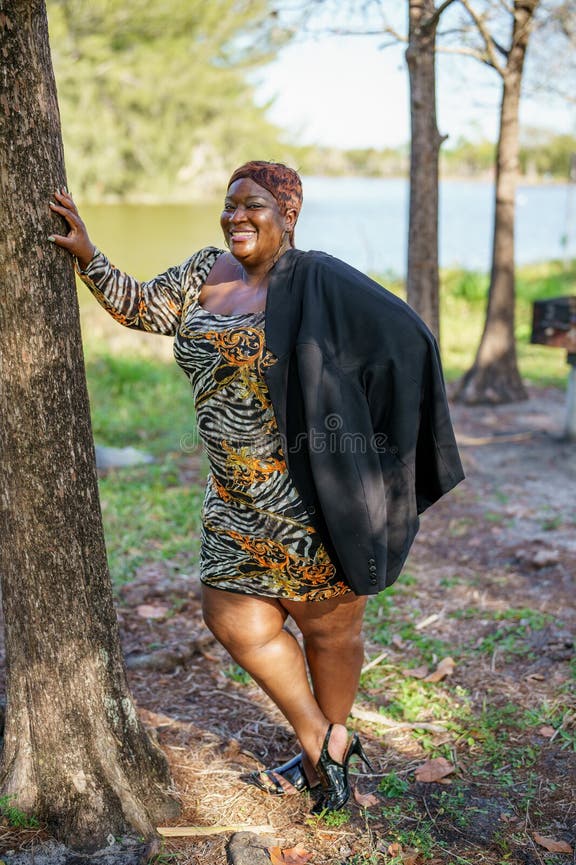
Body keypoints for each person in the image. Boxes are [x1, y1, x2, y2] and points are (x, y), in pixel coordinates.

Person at [48, 161, 464, 813]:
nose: (237, 215)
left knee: (330, 631)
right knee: (230, 615)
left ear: (289, 214)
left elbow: (407, 339)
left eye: (256, 205)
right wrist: (89, 256)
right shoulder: (202, 274)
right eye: (230, 202)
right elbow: (139, 306)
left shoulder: (317, 279)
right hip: (233, 501)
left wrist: (379, 448)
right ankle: (322, 738)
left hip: (312, 502)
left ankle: (328, 747)